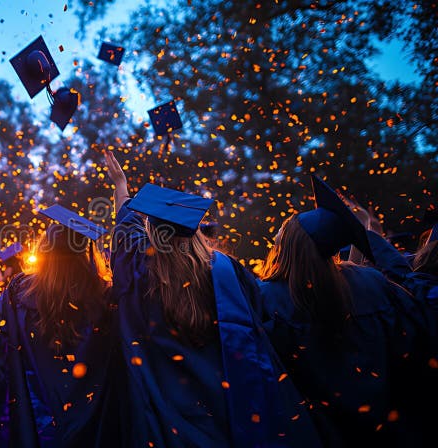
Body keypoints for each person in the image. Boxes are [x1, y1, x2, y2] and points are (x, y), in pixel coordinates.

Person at [104, 151, 319, 447]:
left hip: (165, 414)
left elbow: (127, 233)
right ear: (196, 232)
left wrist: (121, 187)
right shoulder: (228, 272)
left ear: (151, 230)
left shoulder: (140, 271)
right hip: (224, 404)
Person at [258, 175, 437, 446]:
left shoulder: (266, 298)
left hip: (319, 434)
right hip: (386, 428)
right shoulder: (372, 283)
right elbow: (412, 344)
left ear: (286, 248)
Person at [0, 204, 121, 447]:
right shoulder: (105, 296)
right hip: (95, 418)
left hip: (41, 416)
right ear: (87, 252)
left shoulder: (20, 290)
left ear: (44, 249)